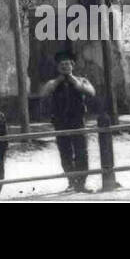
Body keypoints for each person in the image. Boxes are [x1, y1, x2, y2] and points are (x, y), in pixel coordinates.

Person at [39, 49, 95, 192]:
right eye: (61, 65)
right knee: (65, 153)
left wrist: (72, 78)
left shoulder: (82, 80)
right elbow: (44, 92)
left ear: (73, 65)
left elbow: (91, 92)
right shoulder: (53, 82)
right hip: (60, 122)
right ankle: (71, 182)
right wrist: (59, 80)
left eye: (67, 64)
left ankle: (81, 183)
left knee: (81, 152)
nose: (64, 67)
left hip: (77, 121)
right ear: (58, 67)